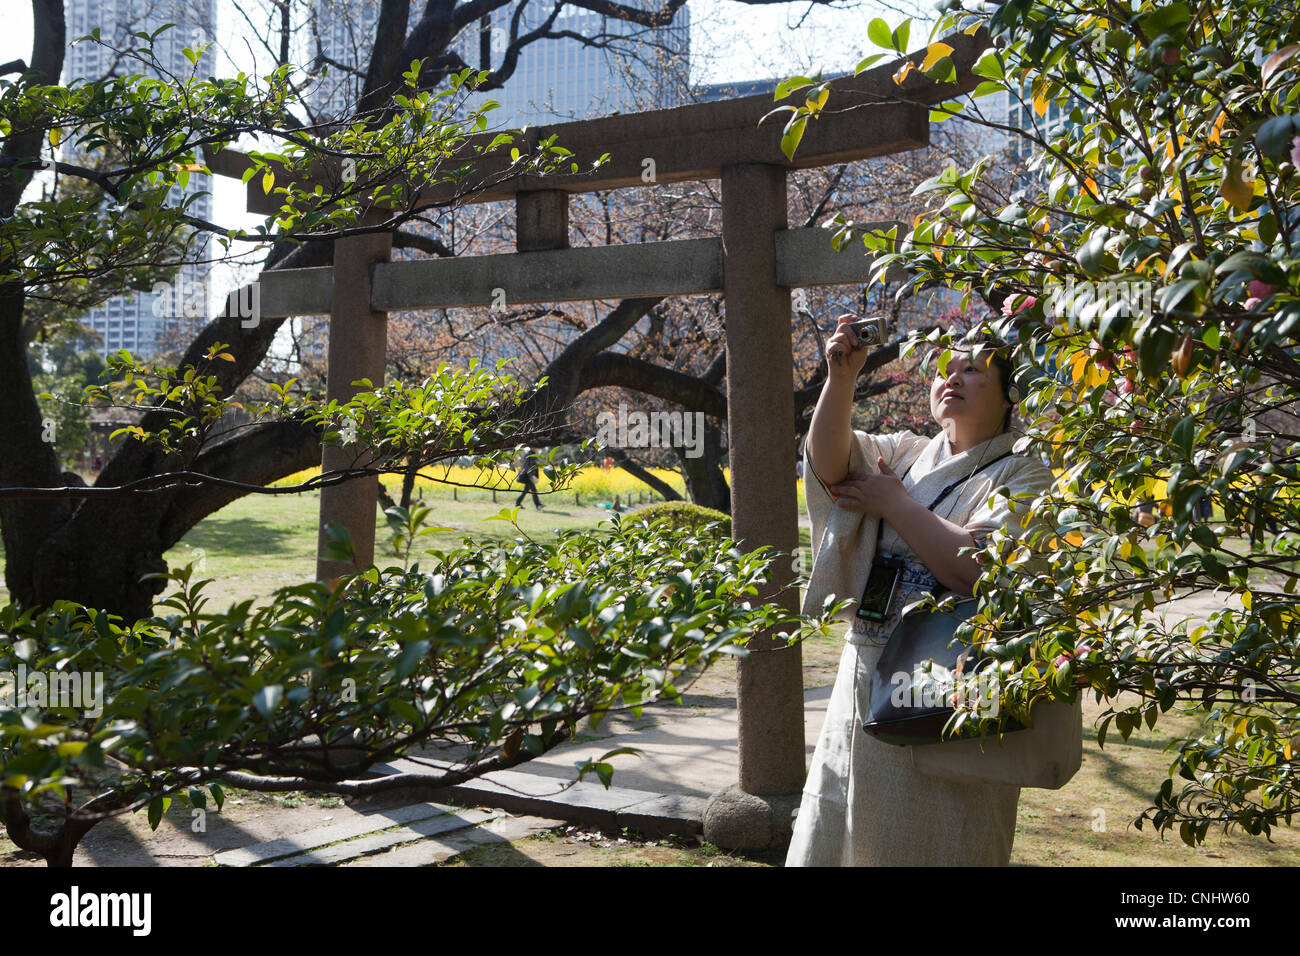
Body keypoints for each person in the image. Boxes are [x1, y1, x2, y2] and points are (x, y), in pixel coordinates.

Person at [785, 315, 1054, 867]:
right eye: (944, 370)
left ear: (1009, 395)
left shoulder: (1025, 475)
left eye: (973, 369)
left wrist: (896, 504)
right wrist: (841, 379)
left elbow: (977, 570)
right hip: (867, 662)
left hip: (956, 680)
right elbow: (830, 463)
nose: (950, 378)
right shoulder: (907, 452)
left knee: (942, 830)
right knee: (840, 815)